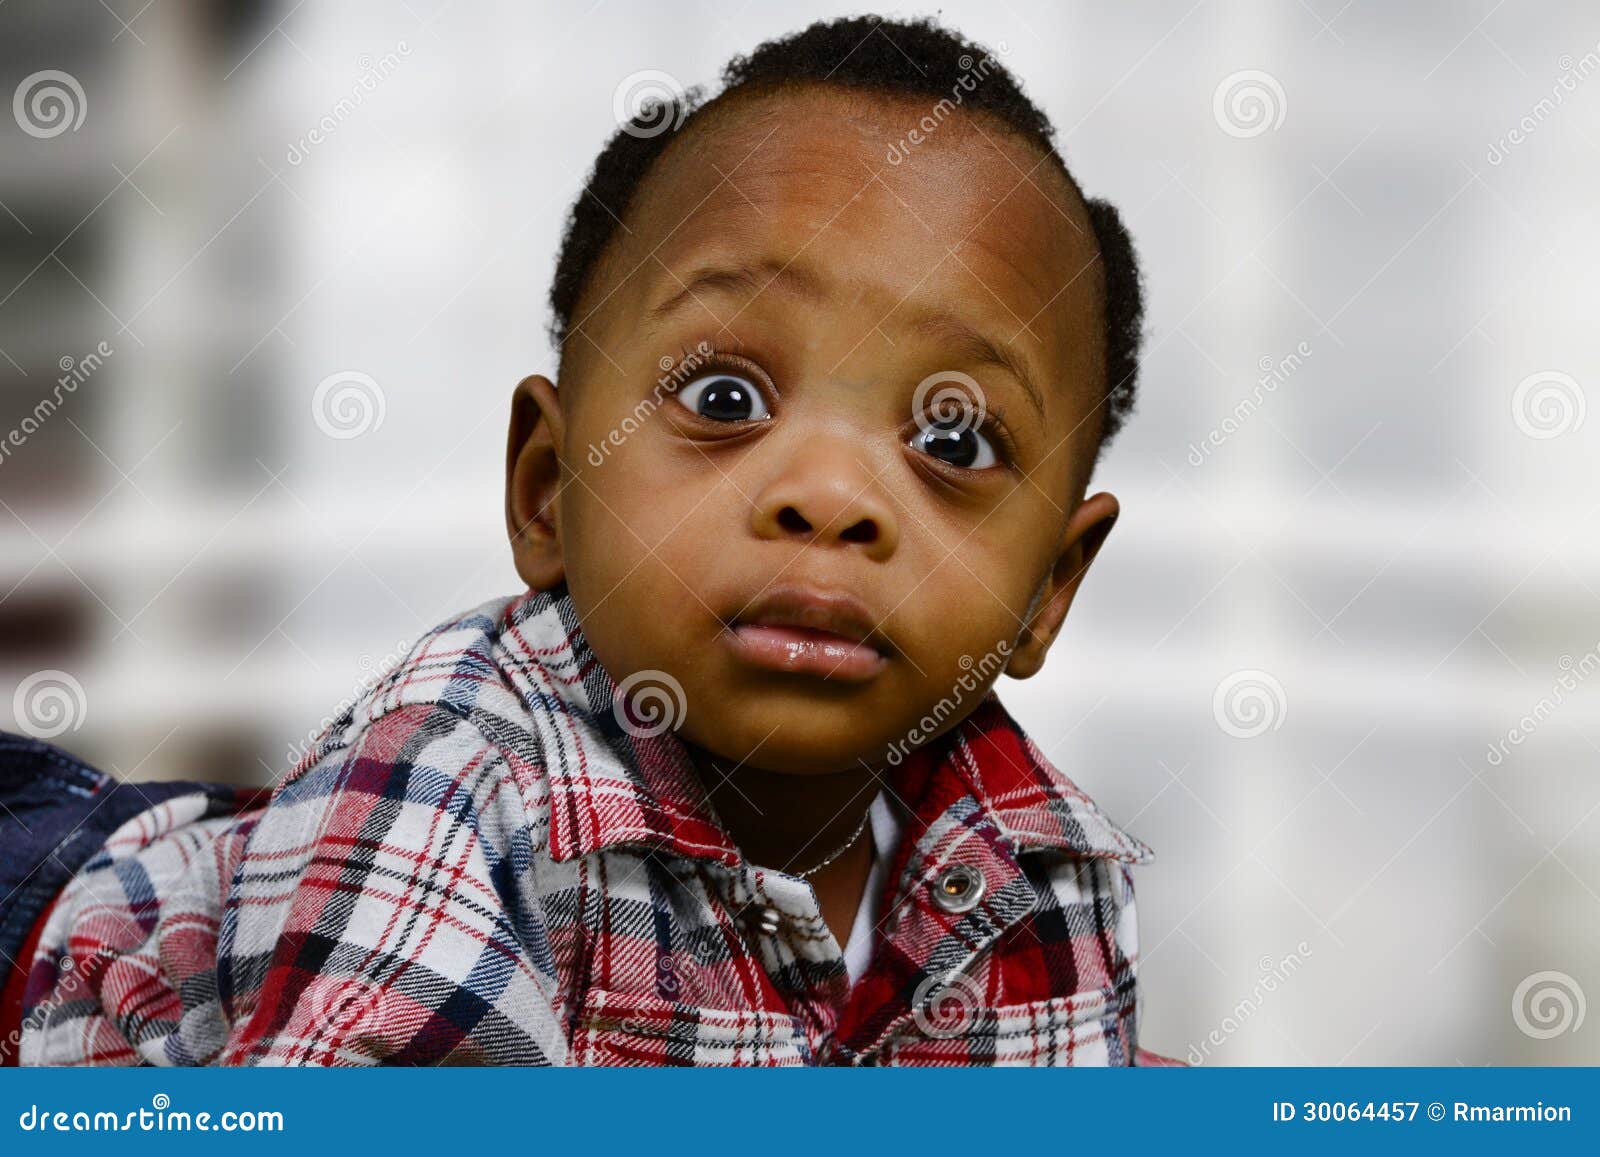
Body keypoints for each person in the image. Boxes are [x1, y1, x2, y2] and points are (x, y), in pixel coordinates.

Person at [6, 14, 1171, 1066]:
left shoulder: (1045, 873)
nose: (830, 496)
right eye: (723, 399)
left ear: (1045, 592)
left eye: (954, 440)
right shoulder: (459, 770)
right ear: (548, 486)